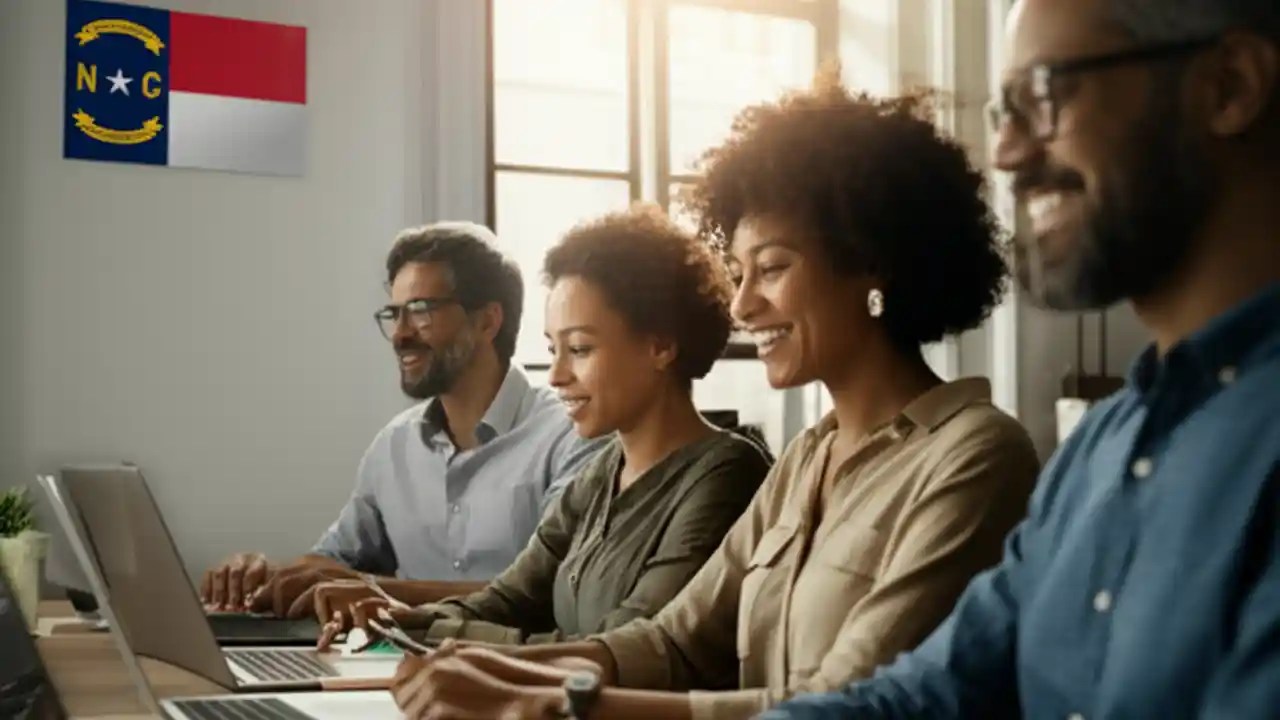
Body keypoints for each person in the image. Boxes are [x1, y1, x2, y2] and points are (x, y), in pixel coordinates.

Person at [387, 73, 1042, 719]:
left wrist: (552, 703)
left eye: (773, 268)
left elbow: (845, 706)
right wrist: (492, 669)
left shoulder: (974, 455)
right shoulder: (805, 460)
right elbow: (672, 640)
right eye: (737, 273)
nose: (742, 304)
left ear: (874, 263)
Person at [755, 0, 1280, 718]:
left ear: (1229, 85)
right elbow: (927, 694)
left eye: (1044, 93)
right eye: (1004, 110)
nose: (1004, 151)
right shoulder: (1099, 449)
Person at [310, 205, 773, 648]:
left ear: (660, 346)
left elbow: (620, 648)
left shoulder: (724, 475)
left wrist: (434, 634)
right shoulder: (602, 472)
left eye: (581, 349)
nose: (556, 376)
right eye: (554, 349)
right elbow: (507, 599)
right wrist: (392, 618)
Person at [199, 222, 608, 618]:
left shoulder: (573, 436)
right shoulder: (393, 446)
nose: (400, 334)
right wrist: (263, 575)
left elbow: (555, 590)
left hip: (514, 673)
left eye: (420, 311)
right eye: (394, 314)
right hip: (388, 669)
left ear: (487, 321)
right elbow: (333, 564)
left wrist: (379, 591)